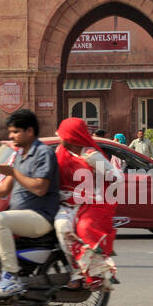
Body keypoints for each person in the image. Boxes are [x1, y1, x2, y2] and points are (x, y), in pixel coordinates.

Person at [0, 109, 59, 298]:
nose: (11, 136)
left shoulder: (44, 153)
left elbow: (40, 188)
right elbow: (4, 188)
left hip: (40, 216)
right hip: (22, 216)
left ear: (30, 131)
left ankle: (11, 277)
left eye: (16, 131)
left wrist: (13, 172)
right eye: (10, 131)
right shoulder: (20, 155)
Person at [55, 117, 120, 290]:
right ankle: (77, 269)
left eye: (63, 136)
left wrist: (98, 194)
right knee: (61, 226)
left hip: (90, 204)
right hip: (65, 202)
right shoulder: (60, 152)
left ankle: (88, 274)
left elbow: (116, 178)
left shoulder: (91, 155)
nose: (60, 139)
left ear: (73, 137)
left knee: (84, 229)